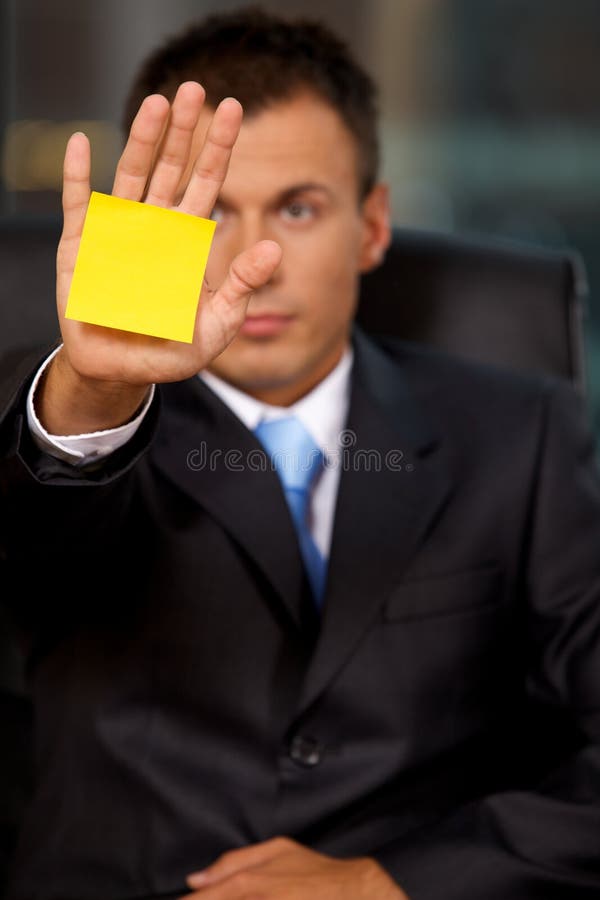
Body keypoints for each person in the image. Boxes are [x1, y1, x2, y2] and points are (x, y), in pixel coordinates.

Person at [1, 6, 599, 900]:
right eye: (208, 213)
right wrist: (101, 392)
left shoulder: (520, 431)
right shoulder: (65, 403)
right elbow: (34, 540)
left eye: (299, 207)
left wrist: (387, 882)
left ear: (372, 226)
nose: (257, 261)